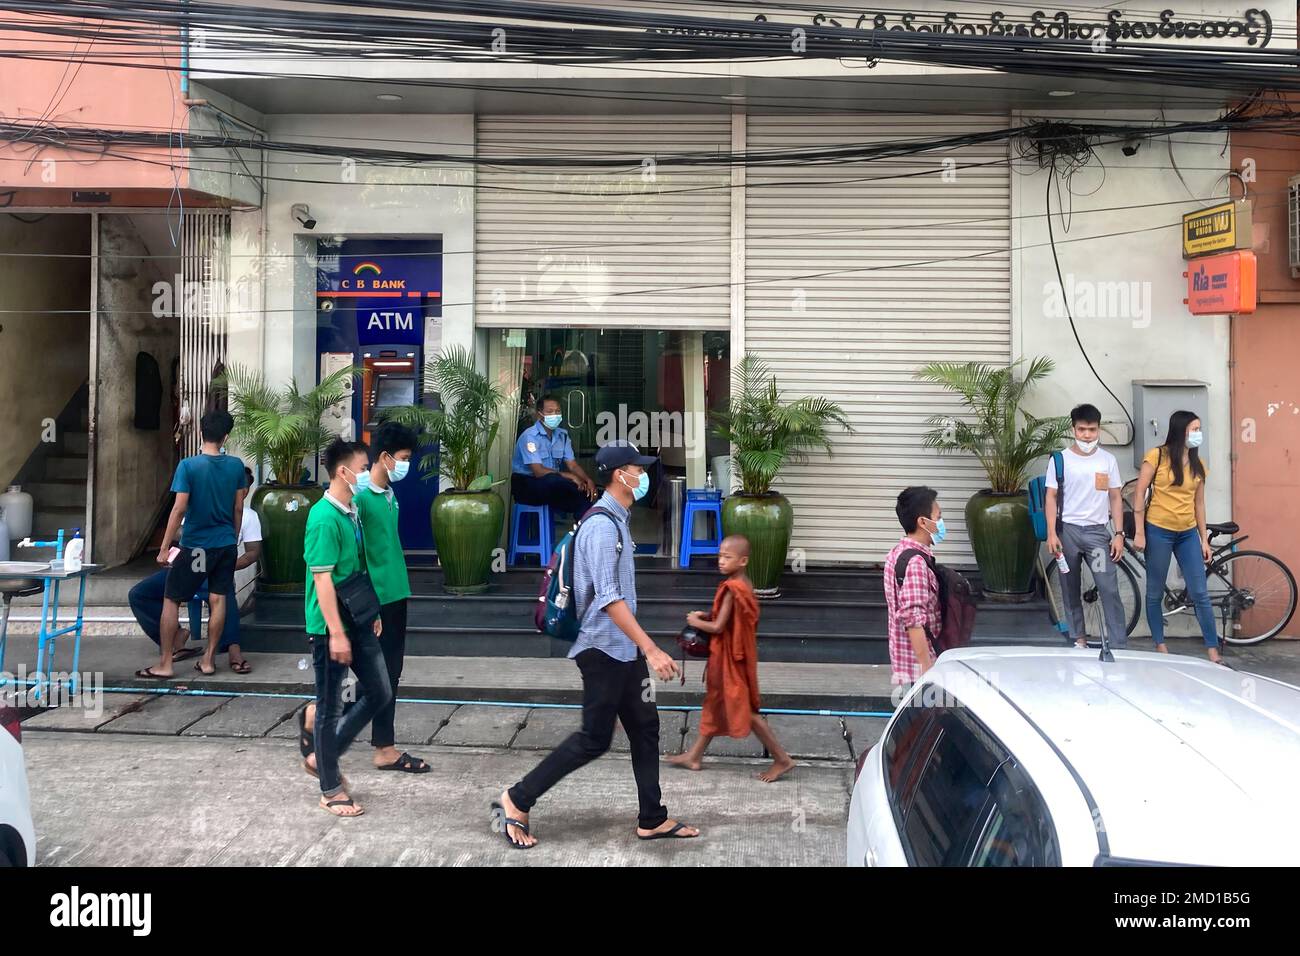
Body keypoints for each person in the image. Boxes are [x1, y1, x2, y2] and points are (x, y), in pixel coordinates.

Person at [493, 441, 699, 848]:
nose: (643, 476)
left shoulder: (617, 519)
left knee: (645, 726)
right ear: (619, 475)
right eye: (637, 470)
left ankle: (652, 818)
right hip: (602, 649)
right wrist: (652, 649)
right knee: (594, 738)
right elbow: (608, 599)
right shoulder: (603, 526)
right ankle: (516, 799)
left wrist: (639, 648)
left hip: (621, 648)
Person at [299, 438, 392, 817]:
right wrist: (335, 632)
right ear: (344, 471)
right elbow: (322, 580)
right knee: (329, 706)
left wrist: (372, 613)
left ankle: (326, 753)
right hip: (330, 624)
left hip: (358, 616)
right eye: (364, 466)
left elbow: (356, 567)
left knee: (380, 692)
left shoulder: (350, 510)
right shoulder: (323, 518)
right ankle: (330, 787)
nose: (368, 473)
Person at [666, 535, 794, 783]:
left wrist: (695, 621)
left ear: (743, 560)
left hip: (730, 660)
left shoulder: (732, 589)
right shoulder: (743, 583)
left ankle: (782, 758)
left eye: (728, 557)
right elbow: (729, 618)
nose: (721, 562)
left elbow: (717, 627)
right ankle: (694, 756)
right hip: (734, 656)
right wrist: (707, 614)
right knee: (715, 704)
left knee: (744, 710)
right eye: (720, 556)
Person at [135, 410, 247, 680]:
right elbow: (239, 507)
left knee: (172, 598)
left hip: (196, 546)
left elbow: (179, 509)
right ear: (226, 436)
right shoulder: (235, 466)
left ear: (200, 433)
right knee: (218, 599)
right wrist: (231, 536)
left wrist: (164, 548)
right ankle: (208, 660)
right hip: (226, 544)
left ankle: (165, 663)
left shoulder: (188, 466)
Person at [344, 421, 430, 773]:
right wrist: (367, 603)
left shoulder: (389, 493)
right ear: (384, 457)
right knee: (377, 675)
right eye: (404, 458)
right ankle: (327, 722)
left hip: (396, 592)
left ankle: (383, 745)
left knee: (390, 673)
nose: (406, 464)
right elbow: (354, 553)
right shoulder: (360, 498)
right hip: (374, 597)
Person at [128, 467, 262, 672]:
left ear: (246, 490)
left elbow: (252, 553)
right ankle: (176, 638)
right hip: (189, 567)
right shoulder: (202, 506)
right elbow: (180, 534)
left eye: (243, 487)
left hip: (216, 572)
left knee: (225, 595)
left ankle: (233, 649)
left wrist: (224, 566)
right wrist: (171, 551)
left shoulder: (249, 516)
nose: (238, 491)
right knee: (139, 594)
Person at [1132, 411, 1223, 663]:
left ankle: (1213, 651)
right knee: (1154, 591)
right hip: (1158, 530)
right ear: (1181, 430)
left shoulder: (1199, 464)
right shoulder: (1157, 456)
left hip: (1187, 534)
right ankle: (1160, 646)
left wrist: (1204, 539)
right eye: (1194, 429)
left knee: (1199, 591)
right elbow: (1139, 493)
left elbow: (1200, 504)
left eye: (1199, 429)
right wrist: (1139, 531)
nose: (1198, 434)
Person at [1044, 404, 1127, 649]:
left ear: (1099, 429)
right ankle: (1078, 638)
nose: (1087, 435)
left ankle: (1118, 642)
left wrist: (1119, 534)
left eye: (1091, 430)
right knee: (1070, 587)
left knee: (1107, 586)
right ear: (1073, 429)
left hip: (1097, 536)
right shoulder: (1060, 460)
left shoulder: (1108, 461)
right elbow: (1050, 496)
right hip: (1067, 533)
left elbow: (1115, 497)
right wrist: (1051, 533)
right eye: (1082, 430)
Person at [885, 486, 944, 689]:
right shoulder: (916, 563)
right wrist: (927, 670)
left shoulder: (896, 552)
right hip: (919, 672)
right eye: (938, 516)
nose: (941, 524)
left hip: (907, 666)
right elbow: (913, 621)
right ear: (922, 522)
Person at [510, 395, 597, 519]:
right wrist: (571, 477)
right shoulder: (529, 437)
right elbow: (538, 472)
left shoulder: (563, 436)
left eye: (557, 411)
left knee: (588, 492)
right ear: (540, 415)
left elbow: (572, 465)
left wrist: (587, 480)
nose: (555, 415)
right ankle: (582, 524)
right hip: (527, 485)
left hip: (552, 485)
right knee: (558, 481)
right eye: (550, 412)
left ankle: (583, 529)